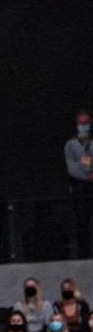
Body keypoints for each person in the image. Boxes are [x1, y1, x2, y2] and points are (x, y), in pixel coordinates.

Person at [67, 109, 93, 256]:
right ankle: (84, 254)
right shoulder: (71, 145)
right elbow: (73, 168)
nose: (83, 126)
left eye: (86, 123)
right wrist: (88, 176)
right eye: (80, 123)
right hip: (81, 189)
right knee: (83, 222)